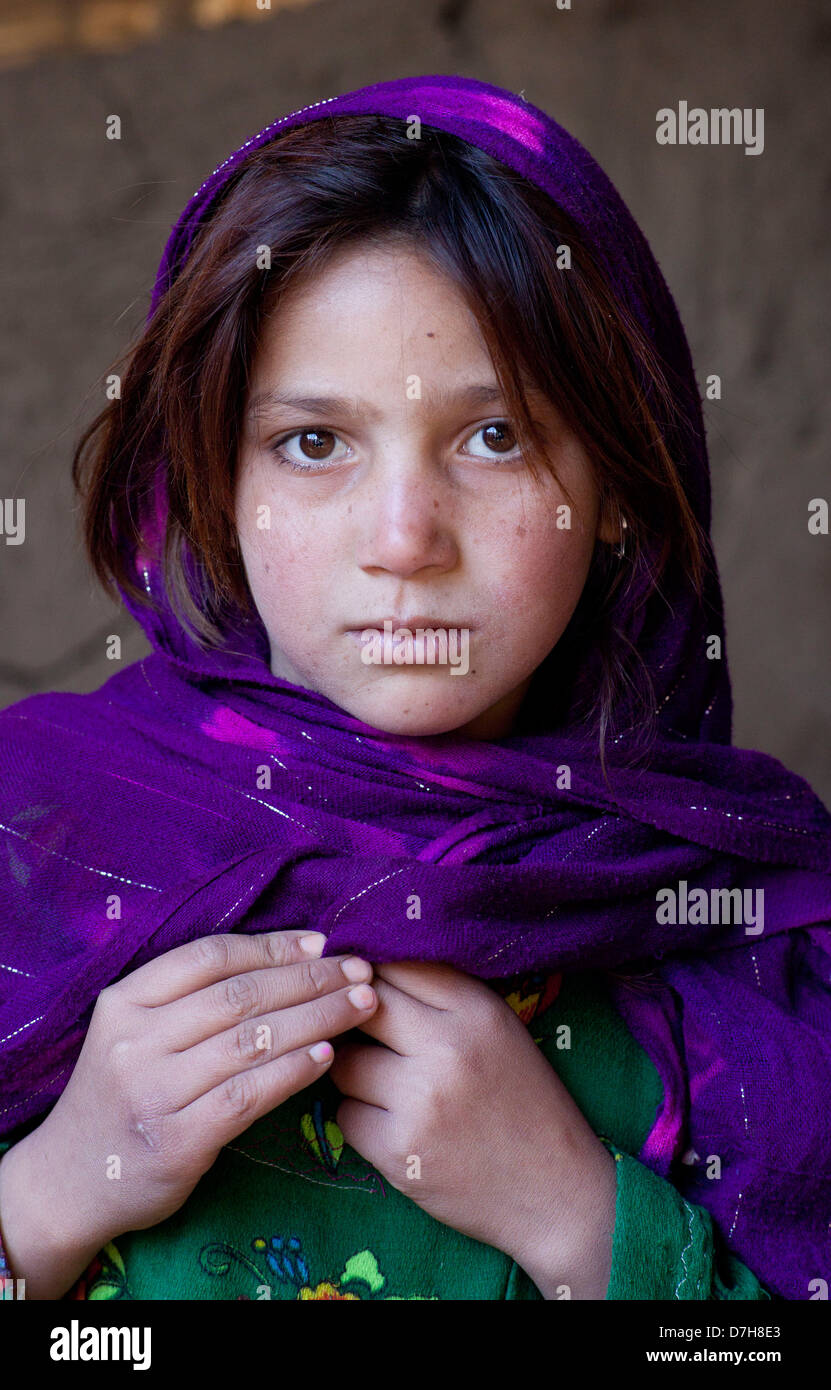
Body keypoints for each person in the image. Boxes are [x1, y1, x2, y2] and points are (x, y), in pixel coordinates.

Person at [0, 74, 829, 1302]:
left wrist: (584, 1219)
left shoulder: (761, 924)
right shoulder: (39, 847)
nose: (404, 537)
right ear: (218, 483)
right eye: (313, 442)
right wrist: (51, 1192)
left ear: (617, 492)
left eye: (493, 436)